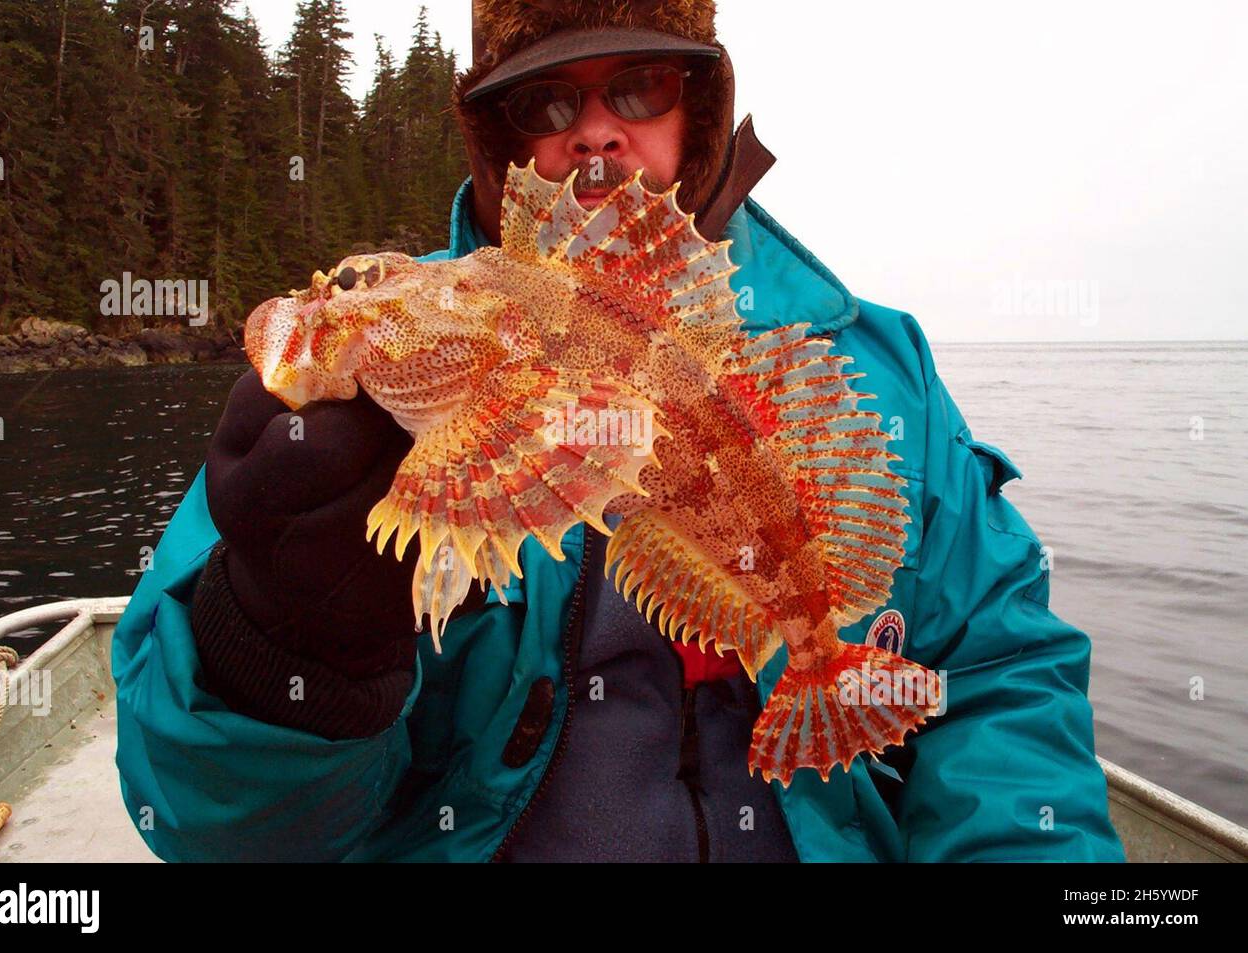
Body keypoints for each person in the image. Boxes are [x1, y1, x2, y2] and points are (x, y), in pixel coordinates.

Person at [113, 0, 1126, 862]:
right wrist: (284, 650)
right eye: (547, 103)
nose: (595, 133)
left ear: (700, 109)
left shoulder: (878, 364)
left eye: (638, 86)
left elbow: (996, 677)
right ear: (503, 138)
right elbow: (204, 822)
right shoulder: (368, 397)